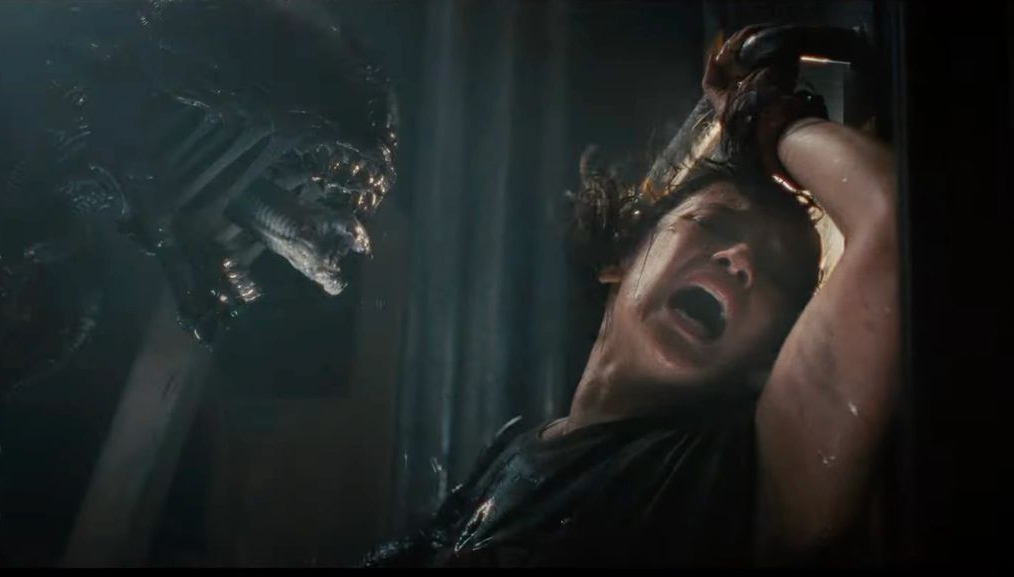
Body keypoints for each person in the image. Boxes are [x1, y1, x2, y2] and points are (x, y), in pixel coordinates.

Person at [363, 24, 898, 567]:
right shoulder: (515, 446)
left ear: (767, 353)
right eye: (713, 225)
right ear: (620, 258)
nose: (740, 259)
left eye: (777, 274)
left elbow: (893, 224)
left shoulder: (747, 471)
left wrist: (768, 119)